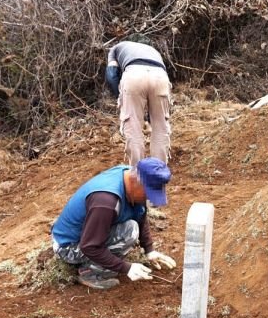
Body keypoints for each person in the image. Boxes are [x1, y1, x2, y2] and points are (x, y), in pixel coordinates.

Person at [51, 158, 177, 290]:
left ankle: (97, 262)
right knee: (129, 232)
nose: (150, 198)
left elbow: (139, 212)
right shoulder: (106, 202)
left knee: (131, 227)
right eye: (149, 193)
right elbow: (89, 247)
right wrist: (126, 268)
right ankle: (89, 272)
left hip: (87, 232)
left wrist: (149, 250)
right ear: (136, 182)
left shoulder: (128, 175)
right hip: (68, 246)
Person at [105, 36, 173, 167]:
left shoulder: (116, 48)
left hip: (133, 75)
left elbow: (112, 74)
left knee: (133, 128)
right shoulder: (153, 50)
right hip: (160, 77)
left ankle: (137, 175)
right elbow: (152, 82)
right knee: (160, 127)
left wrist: (120, 97)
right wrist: (149, 117)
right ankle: (158, 174)